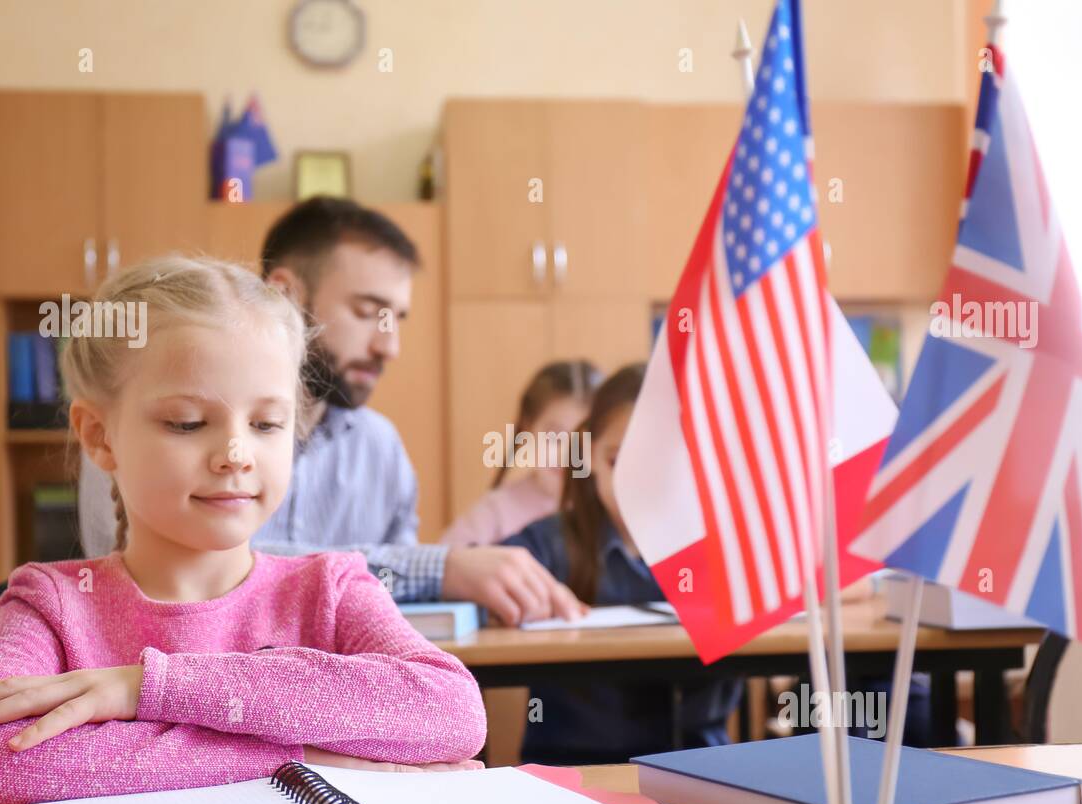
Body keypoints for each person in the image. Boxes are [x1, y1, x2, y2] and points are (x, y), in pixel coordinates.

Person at [0, 257, 487, 804]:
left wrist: (147, 688)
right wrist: (298, 758)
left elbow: (453, 712)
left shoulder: (331, 587)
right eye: (188, 423)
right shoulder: (51, 604)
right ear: (99, 436)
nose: (236, 455)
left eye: (267, 424)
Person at [78, 197, 583, 626]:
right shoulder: (134, 429)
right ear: (286, 295)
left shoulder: (380, 447)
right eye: (368, 312)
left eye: (397, 319)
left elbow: (389, 607)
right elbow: (183, 565)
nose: (390, 345)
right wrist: (440, 568)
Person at [501, 364, 745, 765]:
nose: (637, 483)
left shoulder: (722, 550)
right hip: (573, 768)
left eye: (658, 464)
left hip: (697, 765)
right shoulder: (546, 545)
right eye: (619, 461)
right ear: (590, 455)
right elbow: (481, 591)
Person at [441, 360, 602, 546]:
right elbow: (438, 565)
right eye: (553, 436)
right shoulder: (494, 514)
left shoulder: (610, 515)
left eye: (580, 441)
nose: (566, 455)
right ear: (528, 429)